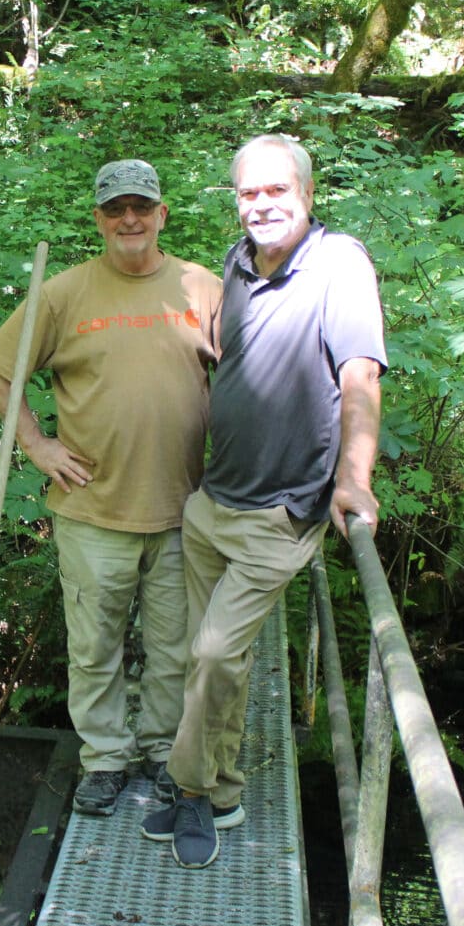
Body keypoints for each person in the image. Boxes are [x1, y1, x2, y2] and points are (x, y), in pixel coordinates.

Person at [141, 134, 387, 867]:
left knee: (214, 653)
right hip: (213, 501)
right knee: (216, 658)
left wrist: (354, 478)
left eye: (276, 190)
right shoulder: (237, 263)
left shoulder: (338, 263)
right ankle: (225, 789)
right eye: (248, 193)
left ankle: (187, 789)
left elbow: (361, 377)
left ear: (307, 193)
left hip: (280, 513)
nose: (261, 205)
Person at [0, 159, 223, 817]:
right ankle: (106, 757)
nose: (130, 219)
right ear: (99, 219)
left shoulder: (203, 288)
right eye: (116, 209)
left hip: (184, 511)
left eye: (141, 206)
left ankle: (164, 752)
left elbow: (251, 375)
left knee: (176, 648)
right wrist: (36, 444)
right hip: (92, 511)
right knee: (94, 649)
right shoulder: (64, 294)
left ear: (162, 213)